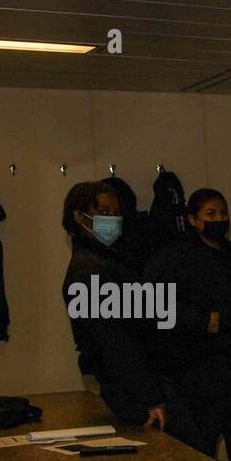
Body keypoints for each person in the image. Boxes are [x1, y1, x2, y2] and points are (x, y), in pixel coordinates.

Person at [143, 188, 231, 461]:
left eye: (223, 213)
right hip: (199, 371)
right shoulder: (173, 257)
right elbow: (150, 305)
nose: (219, 219)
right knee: (198, 454)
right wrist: (201, 321)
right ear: (192, 219)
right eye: (210, 214)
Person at [61, 180, 167, 432]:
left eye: (117, 213)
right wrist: (150, 396)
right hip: (131, 388)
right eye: (104, 212)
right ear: (78, 216)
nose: (114, 219)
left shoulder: (107, 261)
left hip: (135, 382)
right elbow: (114, 342)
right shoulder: (90, 270)